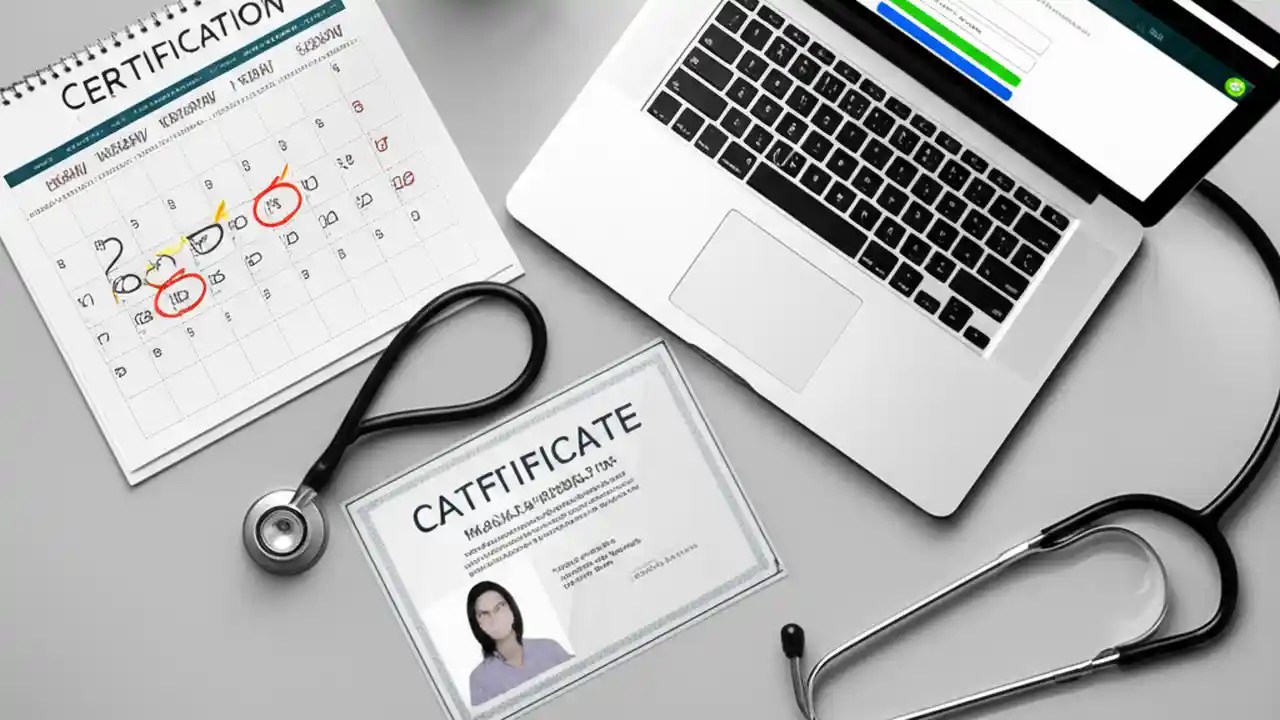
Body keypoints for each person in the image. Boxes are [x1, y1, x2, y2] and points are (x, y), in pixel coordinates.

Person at [466, 580, 573, 706]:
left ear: (511, 608)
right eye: (484, 614)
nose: (494, 618)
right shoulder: (479, 679)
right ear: (478, 624)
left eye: (499, 607)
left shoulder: (549, 648)